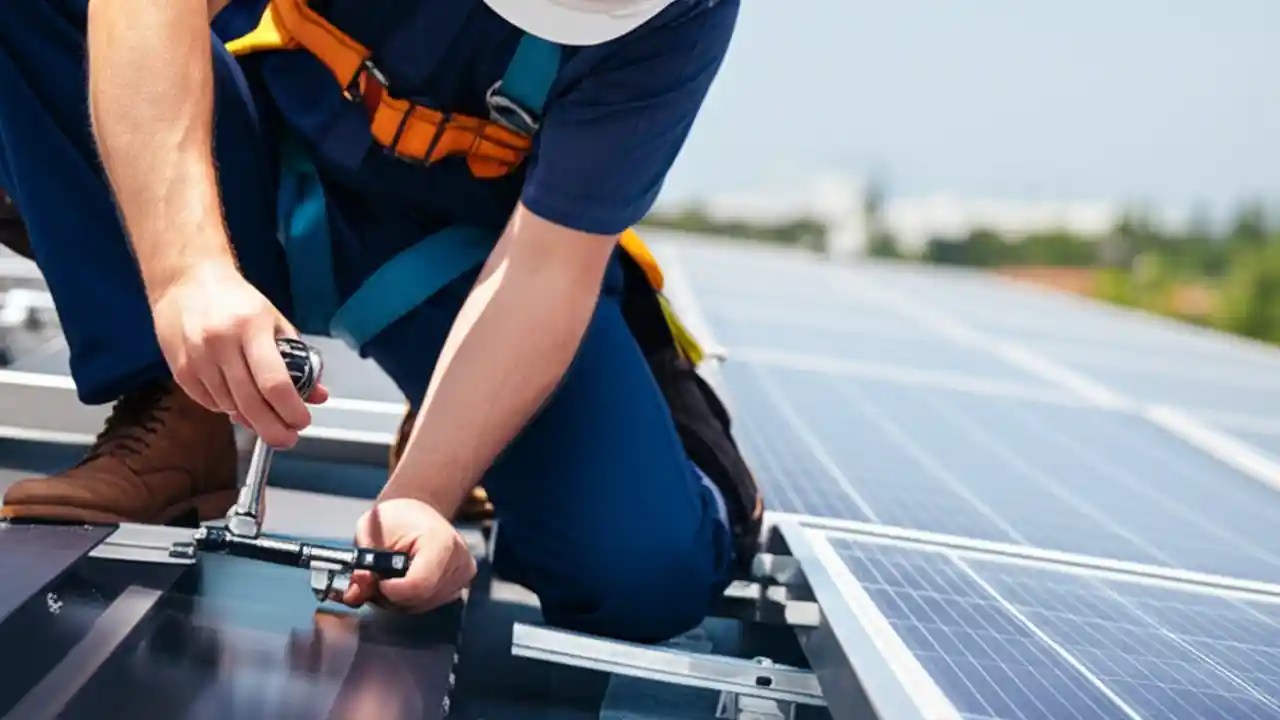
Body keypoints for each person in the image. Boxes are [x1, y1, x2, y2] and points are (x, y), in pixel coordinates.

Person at [0, 0, 762, 643]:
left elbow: (548, 267)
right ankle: (175, 409)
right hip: (236, 147)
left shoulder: (681, 16)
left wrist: (422, 497)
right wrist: (186, 271)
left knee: (644, 571)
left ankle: (470, 415)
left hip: (460, 260)